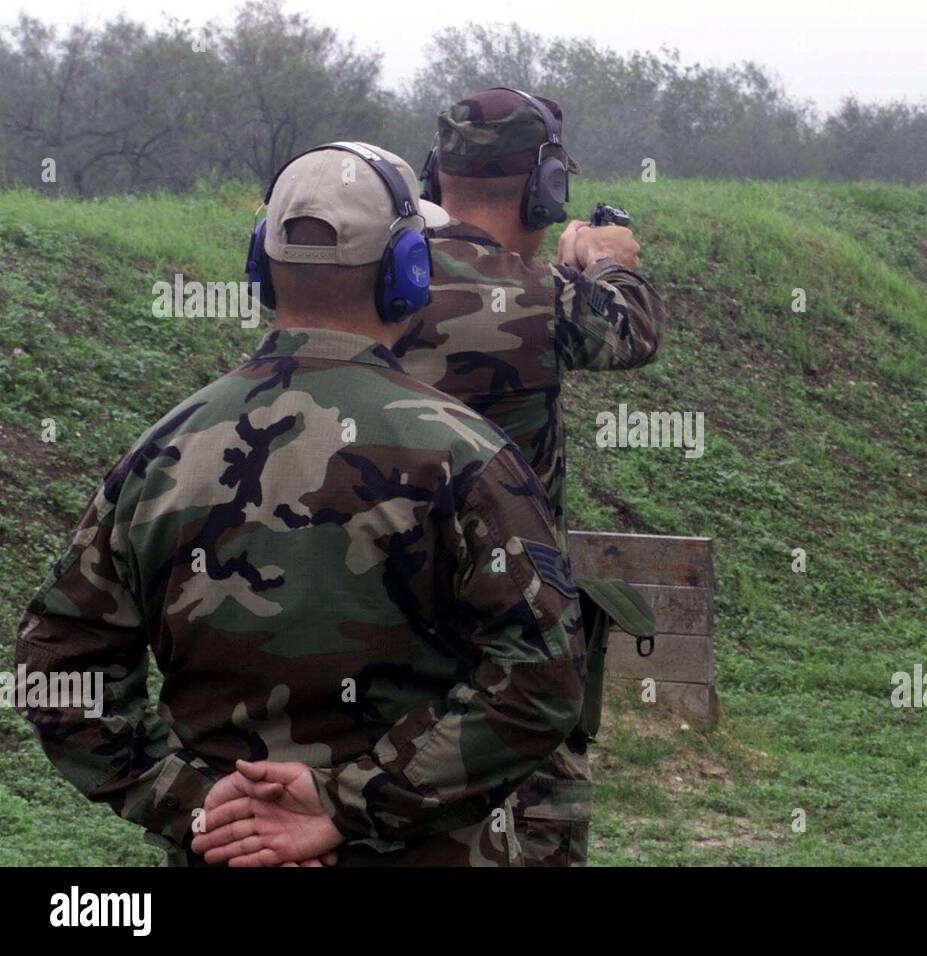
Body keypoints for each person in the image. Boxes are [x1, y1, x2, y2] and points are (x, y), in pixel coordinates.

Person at [14, 142, 585, 867]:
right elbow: (541, 681)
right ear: (410, 270)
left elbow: (57, 665)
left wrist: (198, 806)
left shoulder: (162, 455)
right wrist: (351, 805)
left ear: (259, 264)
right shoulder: (469, 456)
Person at [393, 88, 665, 866]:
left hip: (369, 646)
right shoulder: (548, 300)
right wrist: (608, 263)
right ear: (546, 186)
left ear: (434, 176)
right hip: (509, 653)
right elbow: (633, 331)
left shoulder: (367, 286)